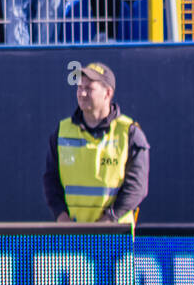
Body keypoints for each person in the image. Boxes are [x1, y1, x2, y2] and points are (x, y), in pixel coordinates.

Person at [45, 62, 150, 225]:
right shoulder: (62, 130)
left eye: (89, 88)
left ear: (107, 93)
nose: (82, 93)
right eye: (79, 88)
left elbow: (137, 187)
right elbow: (51, 180)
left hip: (114, 236)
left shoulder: (129, 132)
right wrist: (61, 217)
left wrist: (109, 218)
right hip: (72, 235)